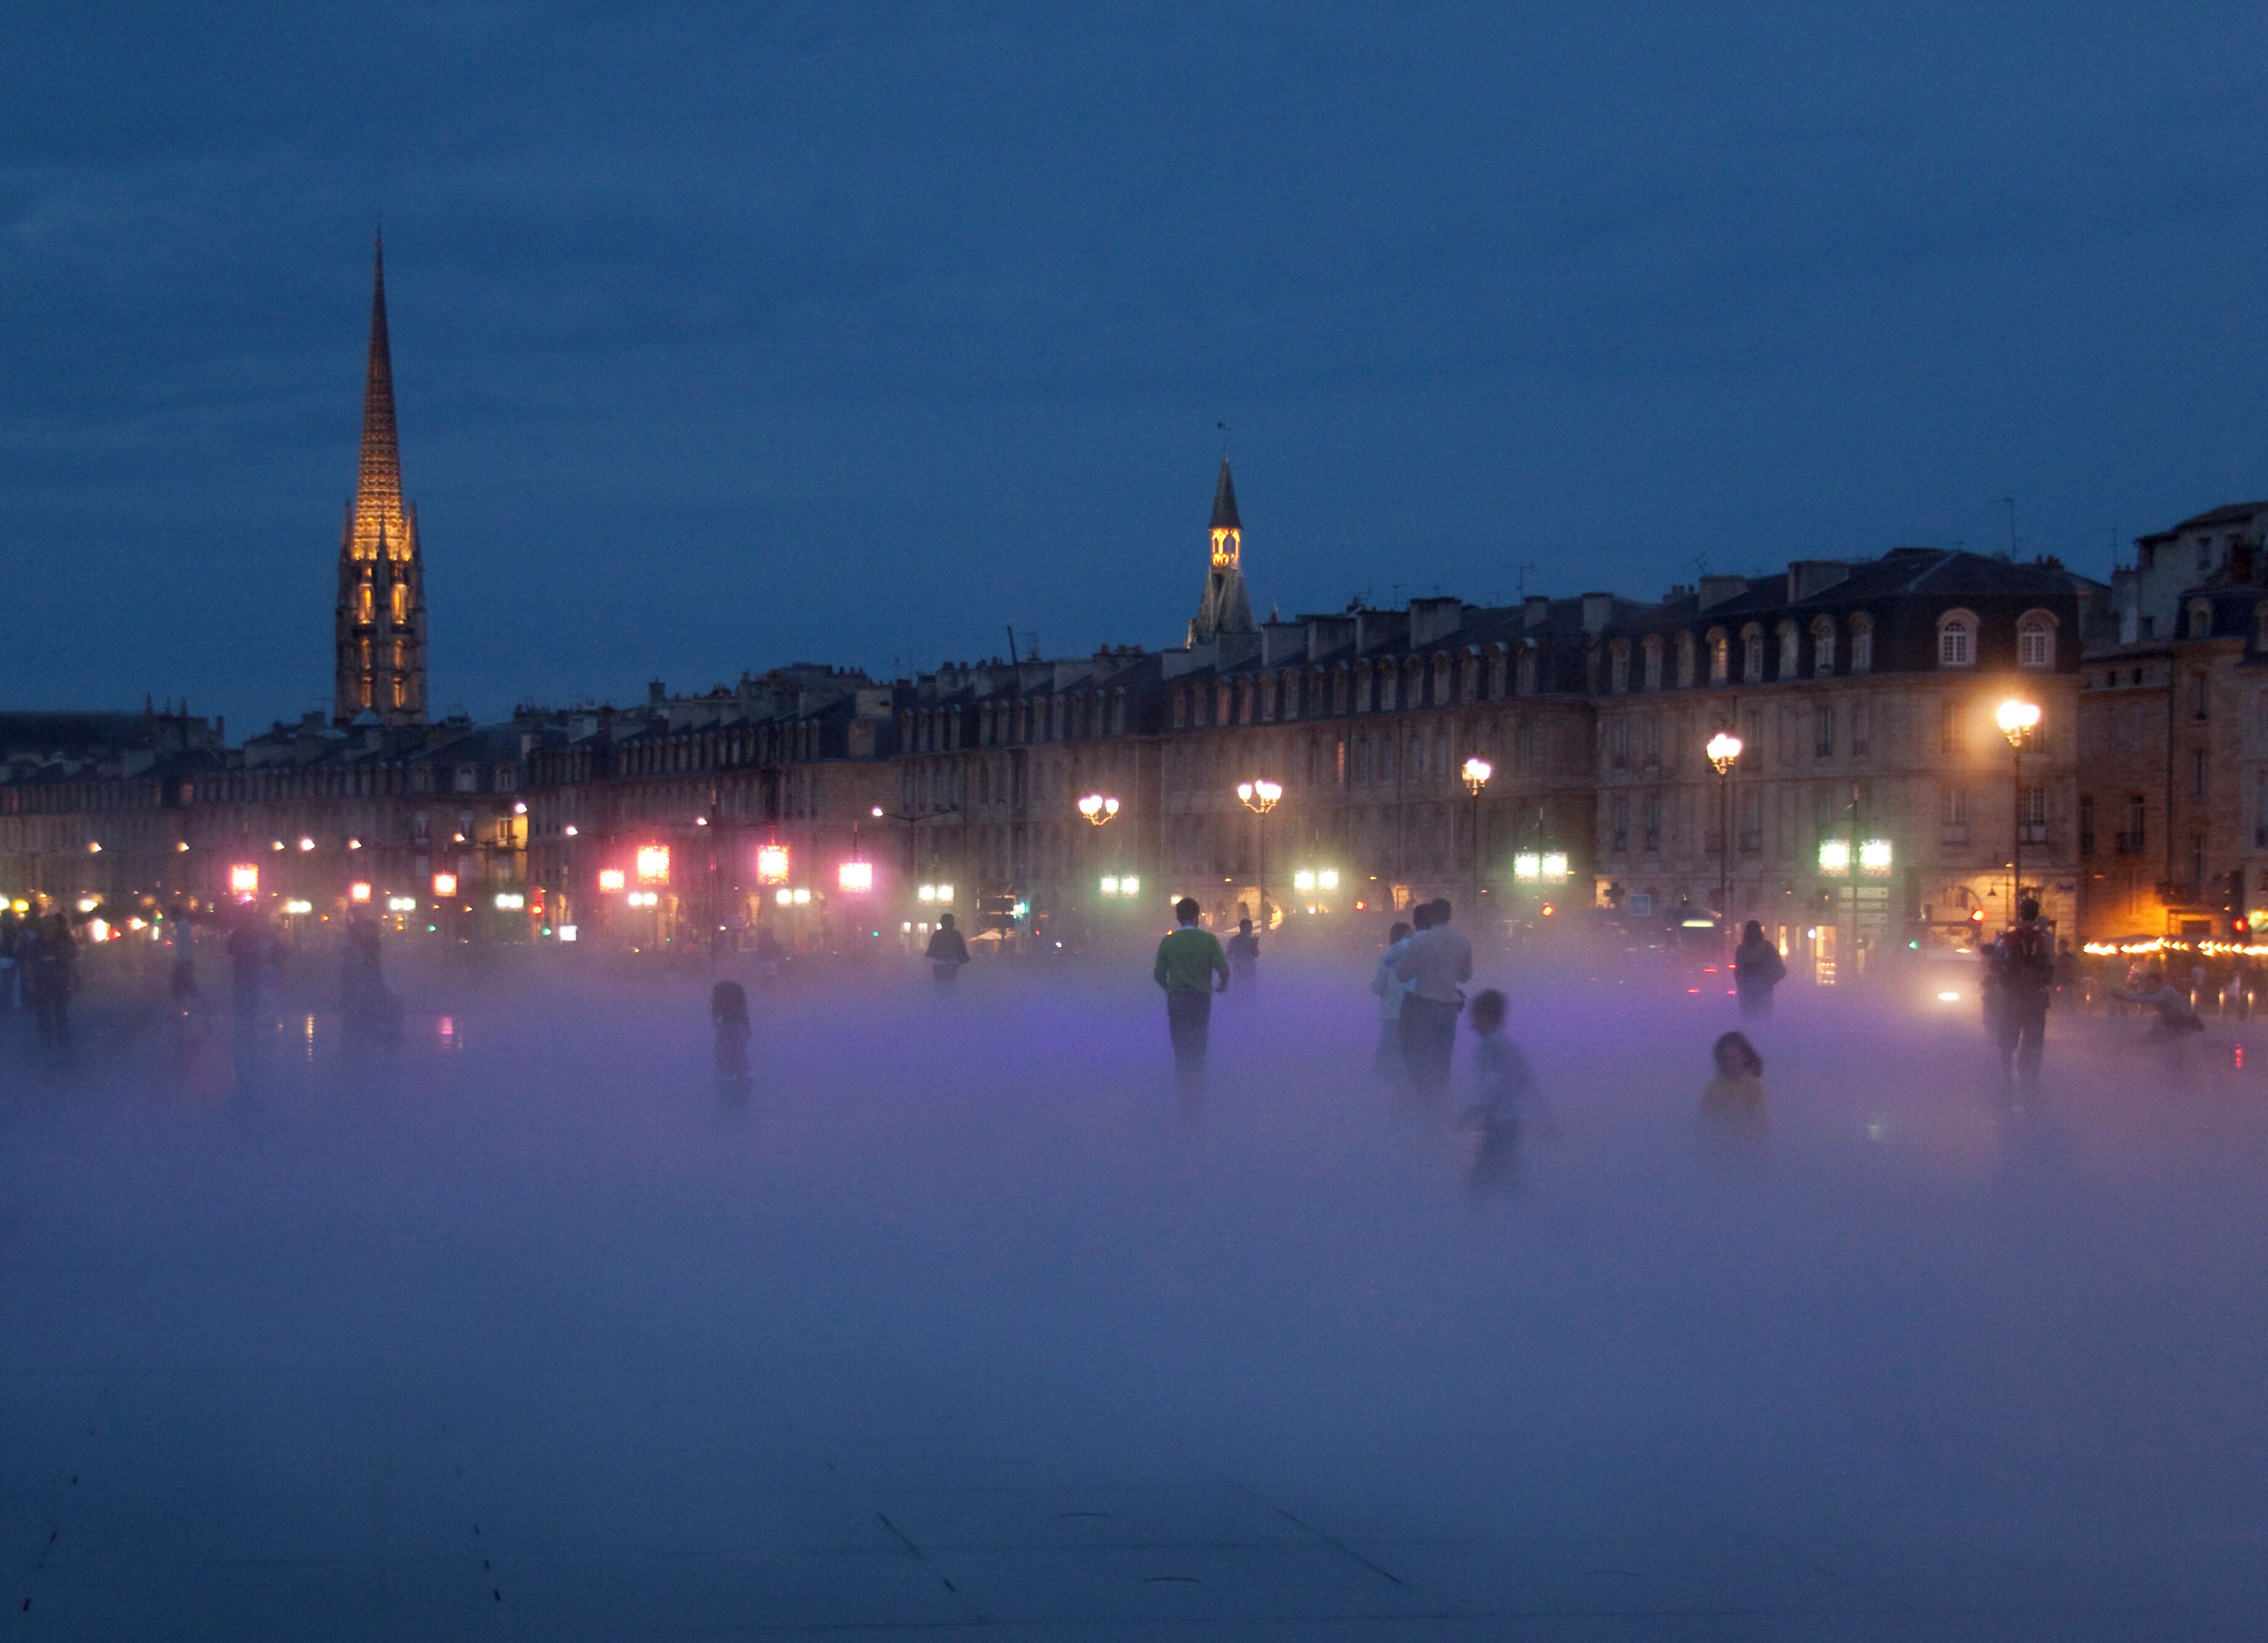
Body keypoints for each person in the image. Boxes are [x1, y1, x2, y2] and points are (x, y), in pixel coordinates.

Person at [1460, 988, 1547, 1189]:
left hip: (1497, 1123)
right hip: (1511, 1122)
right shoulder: (1508, 1045)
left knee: (1481, 1181)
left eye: (1474, 1016)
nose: (1471, 1023)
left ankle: (1474, 1216)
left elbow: (1491, 1083)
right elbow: (1527, 1080)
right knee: (1507, 1174)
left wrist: (1472, 1110)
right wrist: (1544, 1115)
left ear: (1485, 1016)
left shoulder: (1490, 1046)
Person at [1392, 897, 1473, 1102]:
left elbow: (1404, 974)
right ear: (1450, 916)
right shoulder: (1462, 941)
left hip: (1425, 1004)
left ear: (1432, 916)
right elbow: (1465, 976)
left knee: (1423, 1056)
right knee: (1443, 1058)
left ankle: (1425, 1101)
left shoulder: (1420, 941)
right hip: (1450, 1007)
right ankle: (1440, 1099)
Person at [1153, 898, 1230, 1099]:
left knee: (1180, 1046)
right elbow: (1224, 970)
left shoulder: (1168, 941)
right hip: (1201, 999)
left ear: (1178, 917)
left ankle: (1183, 1091)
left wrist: (1170, 988)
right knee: (1199, 1044)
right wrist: (1221, 986)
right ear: (1197, 916)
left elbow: (1158, 975)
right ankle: (1198, 1090)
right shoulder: (1209, 941)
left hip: (1177, 999)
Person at [1987, 898, 2055, 1093]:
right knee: (2034, 1040)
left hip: (2013, 997)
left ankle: (2008, 1077)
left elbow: (1996, 964)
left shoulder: (2008, 938)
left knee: (2008, 1040)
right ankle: (2031, 1078)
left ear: (2020, 914)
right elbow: (2052, 965)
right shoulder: (2046, 939)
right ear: (2037, 914)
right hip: (2036, 998)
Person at [1701, 1030, 1769, 1144]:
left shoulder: (1753, 1086)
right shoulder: (1714, 1089)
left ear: (1744, 1058)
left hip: (1749, 1146)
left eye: (1733, 1058)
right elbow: (1706, 1120)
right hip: (1719, 1145)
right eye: (1724, 1059)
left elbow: (1760, 1121)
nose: (1728, 1064)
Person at [1370, 920, 1416, 1081]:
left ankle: (1384, 1085)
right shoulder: (1415, 957)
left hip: (1391, 1013)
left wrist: (1373, 987)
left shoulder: (1387, 958)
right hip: (1410, 1013)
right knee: (1407, 1051)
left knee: (1387, 1052)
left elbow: (1378, 986)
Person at [2111, 963, 2205, 1042]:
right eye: (2147, 985)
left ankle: (2165, 1043)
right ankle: (2159, 1042)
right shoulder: (2151, 991)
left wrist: (2124, 997)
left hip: (2186, 1021)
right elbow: (2137, 995)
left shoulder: (2167, 991)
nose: (2148, 987)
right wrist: (2122, 996)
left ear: (2159, 984)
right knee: (2156, 1024)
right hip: (2173, 1020)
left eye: (2151, 985)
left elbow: (2150, 999)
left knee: (2158, 1021)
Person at [23, 913, 76, 1048]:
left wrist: (70, 980)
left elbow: (69, 962)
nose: (50, 929)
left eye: (52, 926)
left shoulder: (61, 943)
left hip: (60, 981)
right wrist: (31, 982)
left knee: (61, 1011)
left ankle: (63, 1037)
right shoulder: (36, 944)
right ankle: (46, 1038)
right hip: (41, 982)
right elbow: (29, 963)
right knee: (43, 1012)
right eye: (47, 926)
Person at [1732, 921, 1786, 1019]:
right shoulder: (1767, 948)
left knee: (1750, 1021)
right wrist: (1770, 981)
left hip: (1749, 995)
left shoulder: (1742, 950)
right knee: (1762, 1021)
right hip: (1761, 994)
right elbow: (1781, 970)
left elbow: (1738, 973)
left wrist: (1741, 988)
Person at [710, 978, 751, 1083]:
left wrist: (715, 1022)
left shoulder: (719, 991)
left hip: (725, 1025)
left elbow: (714, 1010)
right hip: (737, 1025)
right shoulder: (738, 992)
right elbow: (744, 1011)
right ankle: (741, 1074)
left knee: (723, 1050)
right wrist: (747, 1027)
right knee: (739, 1050)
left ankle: (724, 1072)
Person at [924, 913, 969, 989]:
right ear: (952, 923)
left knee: (940, 987)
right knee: (951, 986)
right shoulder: (957, 935)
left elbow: (931, 951)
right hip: (952, 965)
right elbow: (962, 950)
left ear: (942, 923)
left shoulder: (937, 935)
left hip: (939, 965)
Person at [1225, 917, 1261, 994]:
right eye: (1249, 928)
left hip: (1250, 969)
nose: (1251, 930)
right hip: (1239, 969)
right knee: (1239, 989)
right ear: (1243, 928)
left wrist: (1255, 945)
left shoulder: (1251, 940)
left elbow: (1256, 954)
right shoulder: (1235, 940)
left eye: (1251, 928)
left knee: (1250, 989)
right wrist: (1237, 962)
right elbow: (1228, 955)